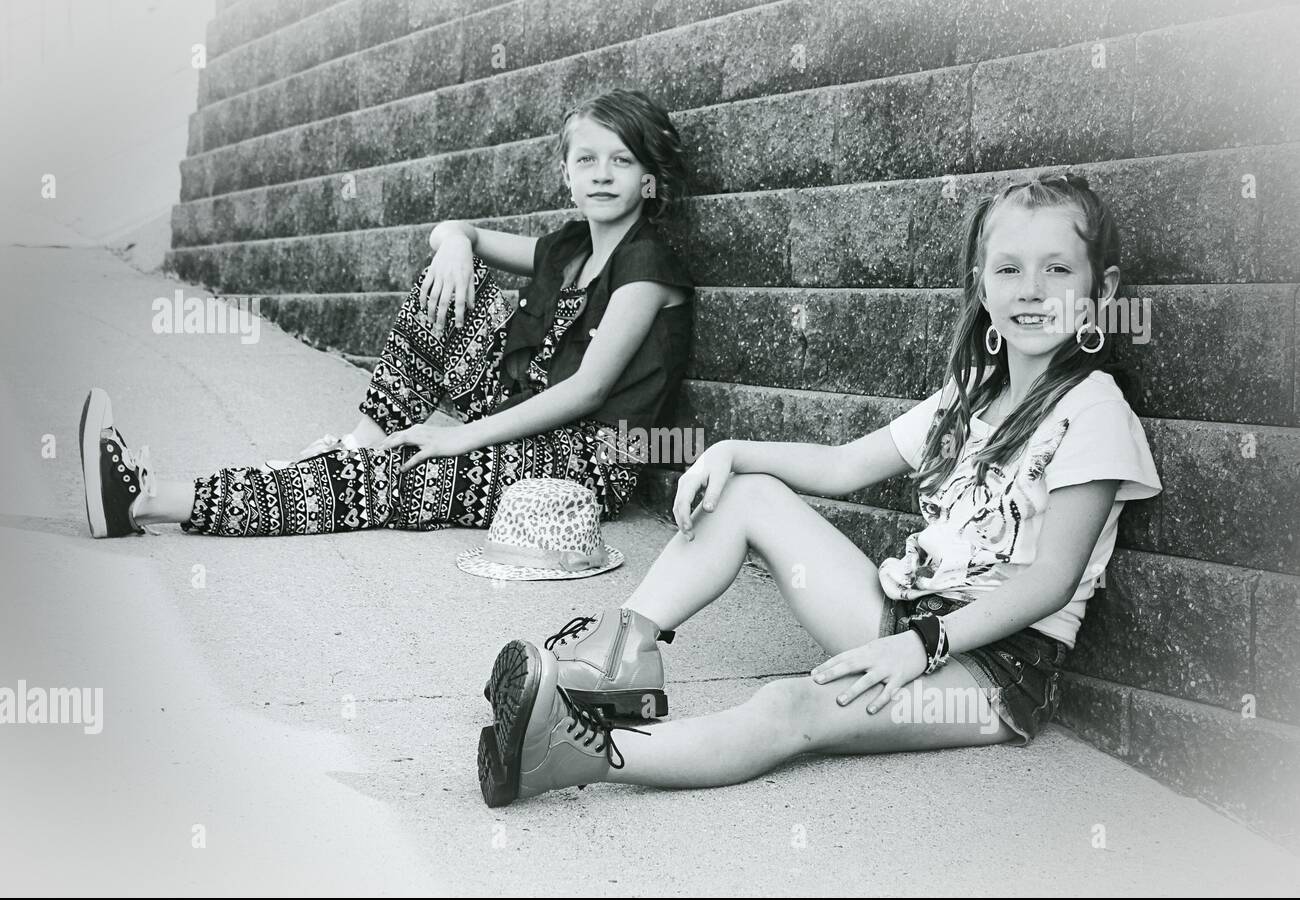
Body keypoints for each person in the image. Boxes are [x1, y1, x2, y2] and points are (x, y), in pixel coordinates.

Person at [477, 173, 1163, 807]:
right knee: (744, 492)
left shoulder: (1093, 409)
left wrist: (921, 646)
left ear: (1100, 290)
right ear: (982, 286)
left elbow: (1050, 580)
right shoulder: (971, 398)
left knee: (790, 709)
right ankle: (622, 655)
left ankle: (577, 752)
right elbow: (841, 466)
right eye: (1009, 269)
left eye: (1057, 269)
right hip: (903, 615)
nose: (1032, 290)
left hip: (990, 671)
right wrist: (728, 451)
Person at [79, 89, 693, 539]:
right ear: (566, 174)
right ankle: (361, 440)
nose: (602, 174)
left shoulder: (647, 266)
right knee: (451, 276)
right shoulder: (569, 247)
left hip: (581, 466)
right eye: (586, 160)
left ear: (648, 179)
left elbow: (588, 392)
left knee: (395, 476)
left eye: (621, 160)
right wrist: (454, 243)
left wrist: (458, 438)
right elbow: (458, 234)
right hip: (518, 420)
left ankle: (151, 499)